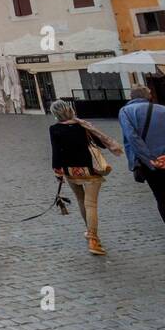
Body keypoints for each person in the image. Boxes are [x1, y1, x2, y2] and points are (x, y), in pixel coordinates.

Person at [119, 86, 165, 255]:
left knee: (163, 200)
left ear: (131, 97)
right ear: (149, 96)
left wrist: (150, 159)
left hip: (151, 165)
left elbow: (132, 138)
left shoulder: (126, 112)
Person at [48, 99, 122, 256]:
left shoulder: (54, 129)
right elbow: (101, 144)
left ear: (55, 114)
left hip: (70, 171)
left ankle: (90, 232)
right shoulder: (82, 126)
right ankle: (93, 238)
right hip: (90, 169)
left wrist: (57, 171)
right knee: (91, 204)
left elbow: (56, 151)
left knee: (81, 201)